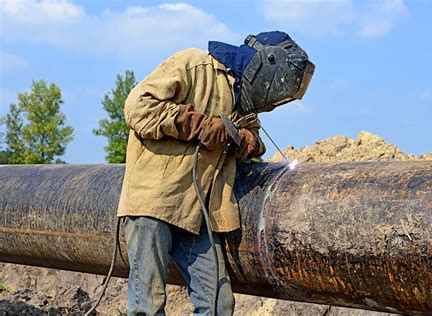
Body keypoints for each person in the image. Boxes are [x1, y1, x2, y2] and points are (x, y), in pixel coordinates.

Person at [117, 31, 314, 315]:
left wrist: (243, 139)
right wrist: (200, 126)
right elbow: (139, 107)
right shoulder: (193, 64)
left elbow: (254, 139)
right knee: (147, 305)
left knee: (218, 304)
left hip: (199, 213)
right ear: (264, 65)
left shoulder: (241, 98)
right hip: (153, 204)